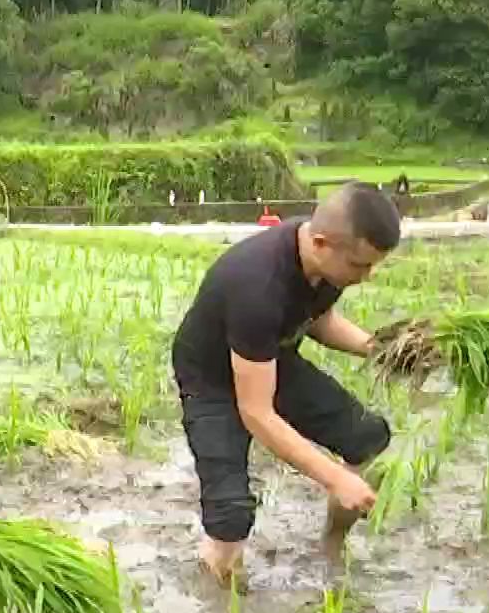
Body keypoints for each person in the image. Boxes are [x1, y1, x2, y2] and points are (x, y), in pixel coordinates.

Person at [171, 181, 401, 586]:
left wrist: (380, 350)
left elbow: (318, 319)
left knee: (366, 437)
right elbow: (256, 412)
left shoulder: (324, 261)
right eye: (360, 266)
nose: (367, 276)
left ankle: (331, 544)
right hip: (211, 379)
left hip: (268, 359)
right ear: (321, 243)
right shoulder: (257, 286)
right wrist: (334, 477)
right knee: (230, 515)